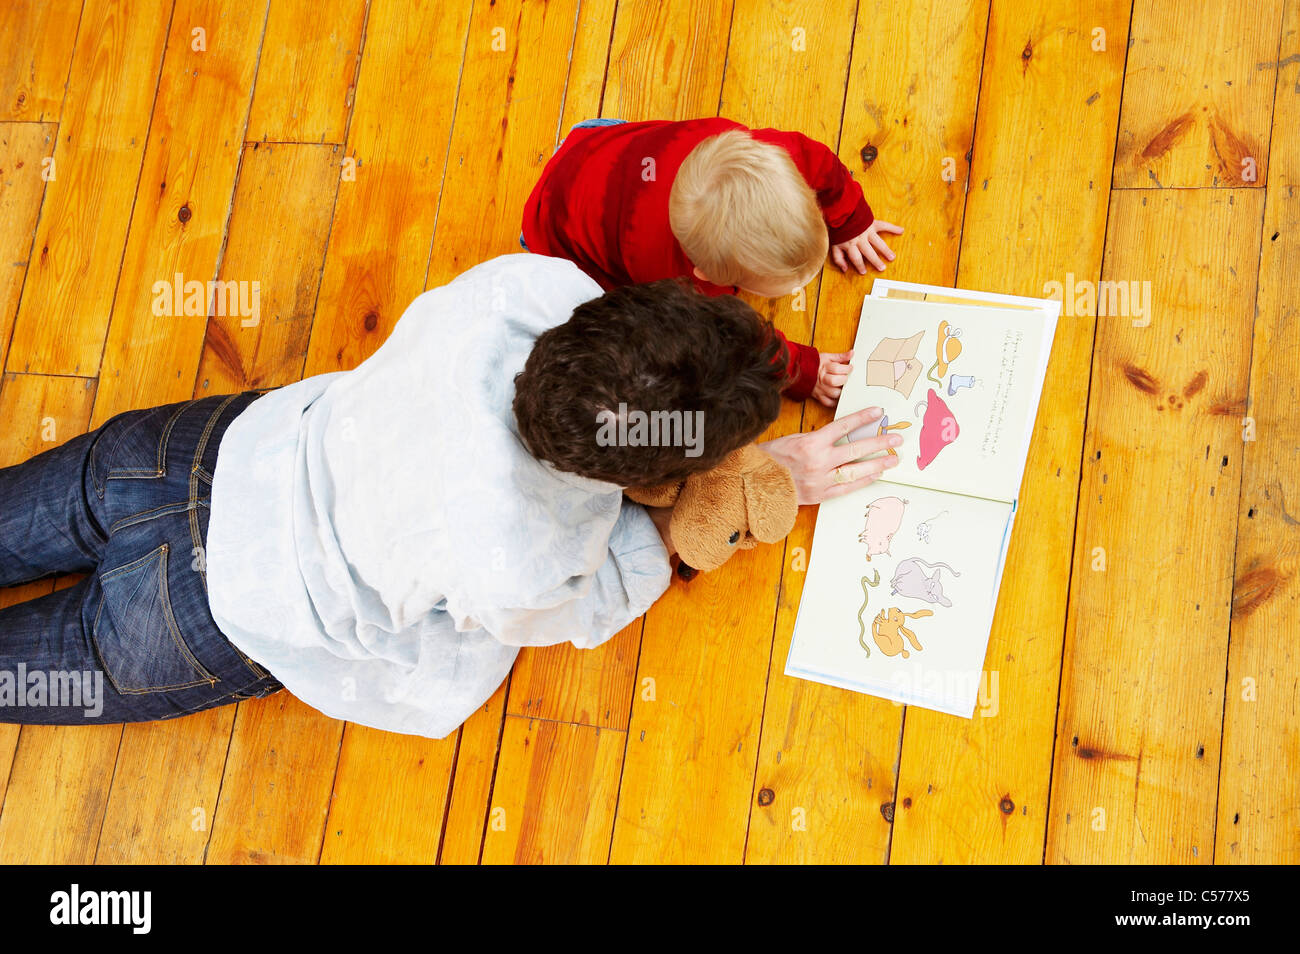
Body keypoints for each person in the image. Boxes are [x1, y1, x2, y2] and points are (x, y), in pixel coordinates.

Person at [0, 255, 900, 738]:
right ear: (653, 478)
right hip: (210, 611)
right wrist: (766, 479)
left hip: (187, 456)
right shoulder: (530, 561)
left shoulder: (524, 287)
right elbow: (598, 597)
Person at [520, 117, 905, 407]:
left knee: (617, 152)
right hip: (557, 230)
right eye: (783, 285)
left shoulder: (769, 156)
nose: (800, 288)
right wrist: (806, 370)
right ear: (705, 275)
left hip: (601, 148)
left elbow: (821, 163)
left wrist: (850, 220)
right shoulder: (678, 283)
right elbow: (735, 343)